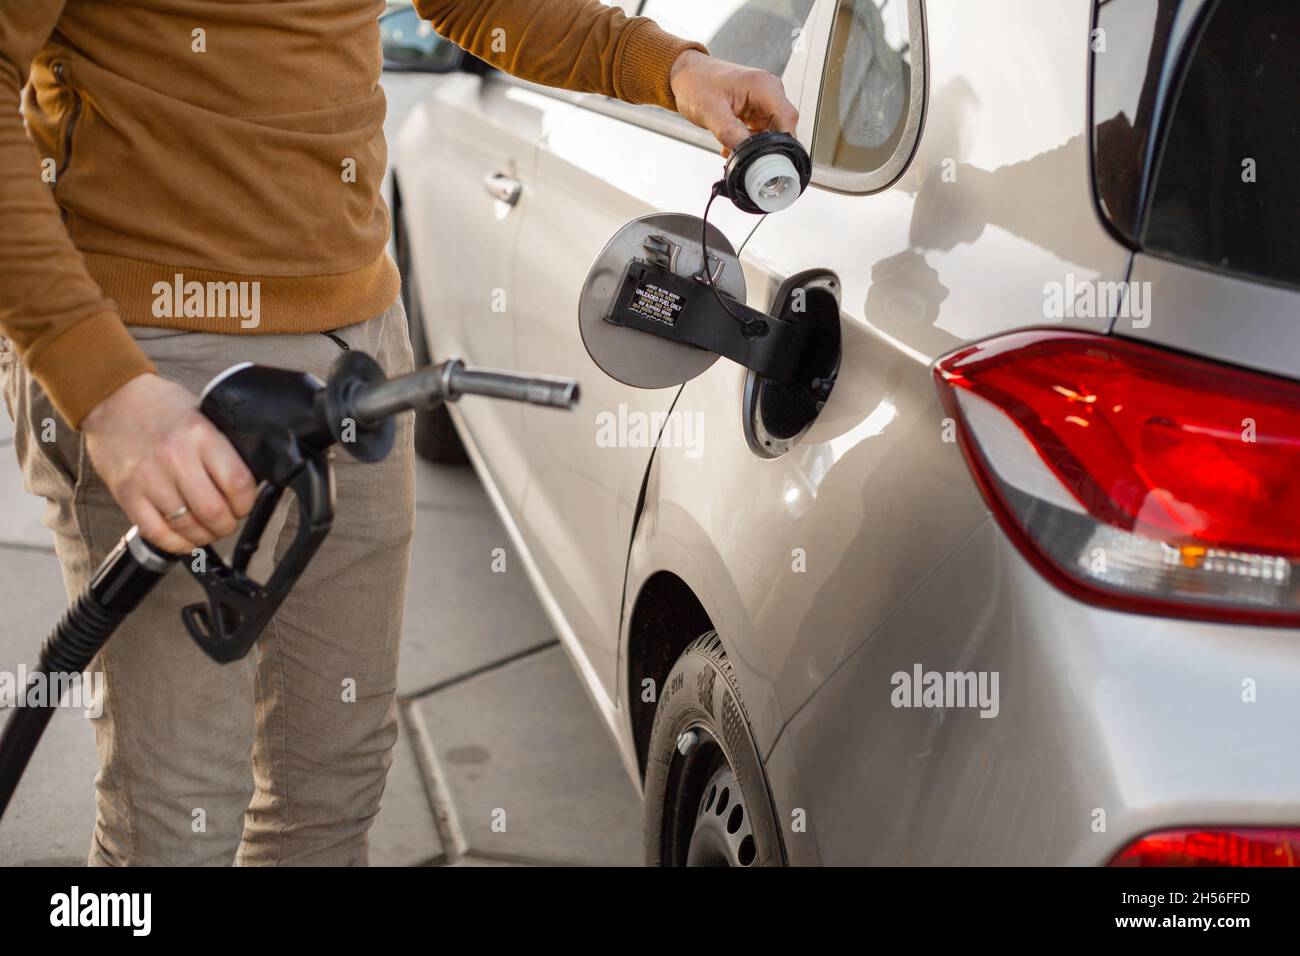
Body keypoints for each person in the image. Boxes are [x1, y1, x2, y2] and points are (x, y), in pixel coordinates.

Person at [0, 0, 798, 865]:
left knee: (332, 786)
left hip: (357, 343)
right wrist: (106, 388)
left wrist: (673, 68)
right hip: (156, 357)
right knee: (175, 819)